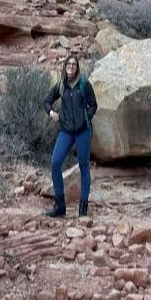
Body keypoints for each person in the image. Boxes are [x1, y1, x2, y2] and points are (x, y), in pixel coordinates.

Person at [42, 55, 98, 218]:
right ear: (65, 66)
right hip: (66, 131)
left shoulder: (84, 84)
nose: (71, 67)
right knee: (55, 163)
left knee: (83, 166)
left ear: (77, 68)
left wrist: (85, 116)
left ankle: (83, 208)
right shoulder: (61, 85)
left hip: (83, 131)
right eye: (69, 64)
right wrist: (52, 113)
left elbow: (93, 105)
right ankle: (60, 206)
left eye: (74, 64)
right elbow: (47, 101)